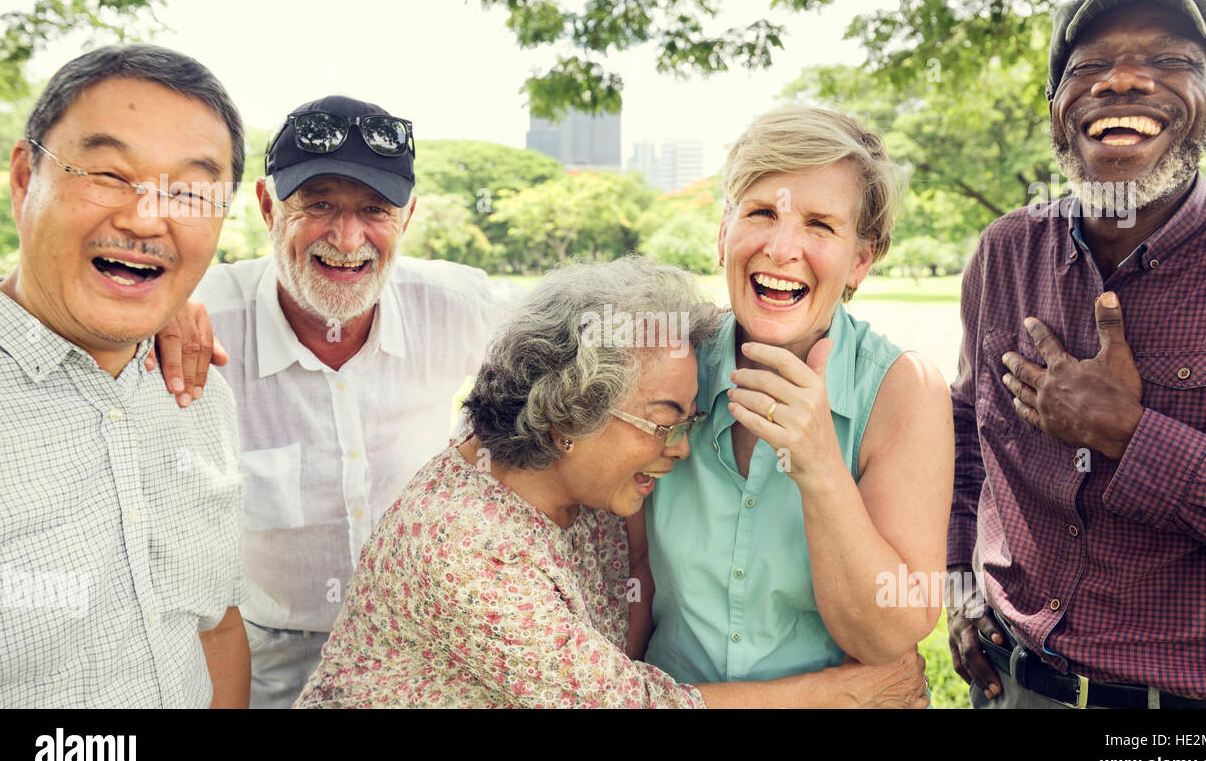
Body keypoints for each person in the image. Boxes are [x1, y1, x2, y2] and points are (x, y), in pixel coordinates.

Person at [295, 256, 929, 707]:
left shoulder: (578, 491)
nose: (680, 451)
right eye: (663, 423)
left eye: (690, 420)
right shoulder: (466, 546)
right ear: (570, 414)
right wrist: (837, 694)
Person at [947, 0, 1206, 708]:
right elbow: (968, 441)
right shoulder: (1004, 251)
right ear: (1058, 109)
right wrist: (960, 585)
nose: (1123, 79)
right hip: (1014, 688)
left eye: (1169, 61)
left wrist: (1132, 438)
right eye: (1089, 65)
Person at [149, 95, 521, 709]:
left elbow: (584, 353)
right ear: (269, 207)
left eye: (373, 209)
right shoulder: (199, 318)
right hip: (267, 650)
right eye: (318, 204)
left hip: (425, 641)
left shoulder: (459, 303)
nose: (347, 238)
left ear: (406, 217)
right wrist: (155, 311)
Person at [640, 107, 953, 686]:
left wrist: (820, 468)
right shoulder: (664, 362)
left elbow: (887, 637)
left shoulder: (905, 391)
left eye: (820, 225)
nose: (783, 249)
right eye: (761, 213)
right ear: (723, 234)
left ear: (862, 259)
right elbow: (627, 581)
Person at [0, 44, 248, 707]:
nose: (144, 217)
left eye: (190, 191)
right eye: (107, 173)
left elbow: (214, 623)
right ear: (24, 178)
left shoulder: (199, 389)